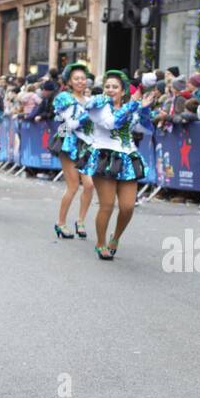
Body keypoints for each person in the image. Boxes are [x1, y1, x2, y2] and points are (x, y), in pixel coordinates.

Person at [80, 69, 151, 259]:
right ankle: (100, 242)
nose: (111, 90)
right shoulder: (99, 105)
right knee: (107, 205)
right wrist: (133, 105)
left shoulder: (130, 106)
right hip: (105, 157)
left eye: (115, 87)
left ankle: (116, 237)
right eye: (108, 86)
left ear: (123, 90)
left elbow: (144, 128)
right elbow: (111, 124)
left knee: (127, 207)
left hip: (128, 158)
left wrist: (143, 109)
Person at [51, 62, 95, 239]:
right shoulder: (64, 98)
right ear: (69, 81)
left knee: (90, 184)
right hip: (69, 143)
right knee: (73, 185)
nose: (80, 81)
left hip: (87, 145)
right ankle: (60, 223)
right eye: (76, 78)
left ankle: (81, 220)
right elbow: (70, 124)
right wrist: (89, 114)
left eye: (83, 78)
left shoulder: (90, 101)